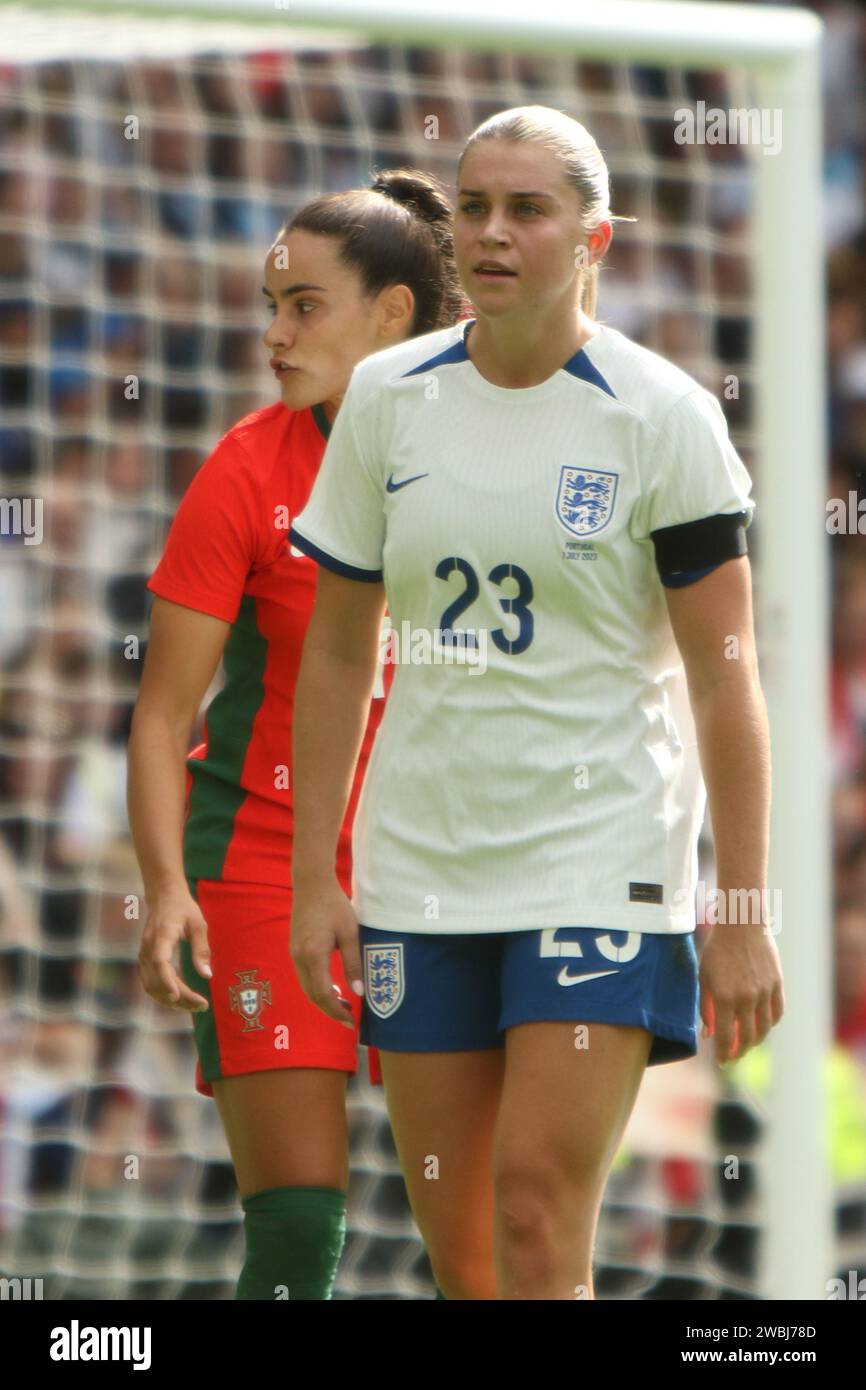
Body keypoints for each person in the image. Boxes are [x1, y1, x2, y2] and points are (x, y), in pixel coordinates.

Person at [287, 106, 785, 1301]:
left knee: (533, 1210)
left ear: (594, 237)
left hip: (595, 854)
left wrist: (743, 907)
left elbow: (725, 678)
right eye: (472, 206)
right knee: (462, 1260)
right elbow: (339, 654)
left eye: (527, 209)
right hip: (423, 864)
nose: (491, 232)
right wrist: (316, 875)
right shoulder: (386, 398)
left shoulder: (661, 415)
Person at [126, 169, 465, 1300]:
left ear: (393, 314)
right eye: (270, 302)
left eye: (302, 305)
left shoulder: (492, 448)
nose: (272, 332)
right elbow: (165, 709)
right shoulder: (242, 468)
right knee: (295, 1237)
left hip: (448, 860)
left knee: (489, 1232)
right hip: (266, 857)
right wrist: (167, 886)